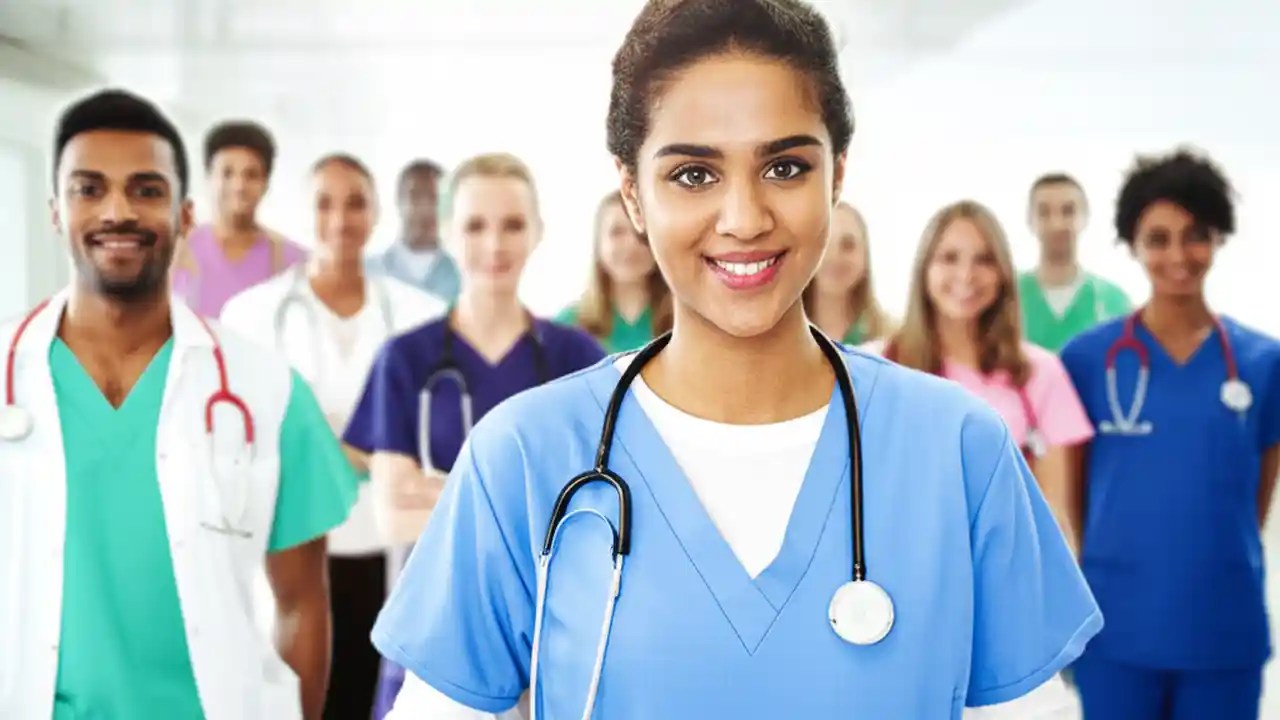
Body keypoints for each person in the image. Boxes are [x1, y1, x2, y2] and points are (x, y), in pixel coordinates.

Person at [372, 2, 1100, 718]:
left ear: (837, 176)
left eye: (785, 167)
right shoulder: (525, 457)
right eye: (694, 175)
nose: (746, 219)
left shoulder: (958, 450)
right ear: (632, 193)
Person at [0, 89, 358, 719]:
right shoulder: (12, 370)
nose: (118, 210)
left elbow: (303, 603)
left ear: (186, 213)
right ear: (56, 211)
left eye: (146, 189)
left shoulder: (266, 389)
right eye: (89, 189)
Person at [342, 151, 607, 719]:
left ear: (537, 232)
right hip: (433, 634)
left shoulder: (576, 359)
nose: (495, 244)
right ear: (445, 233)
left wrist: (444, 494)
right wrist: (533, 509)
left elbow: (599, 517)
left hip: (554, 641)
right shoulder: (405, 360)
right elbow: (393, 515)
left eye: (512, 225)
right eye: (475, 226)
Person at [220, 153, 447, 720]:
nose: (340, 219)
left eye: (355, 203)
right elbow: (241, 438)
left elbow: (432, 439)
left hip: (391, 546)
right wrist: (364, 449)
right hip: (296, 544)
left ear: (375, 214)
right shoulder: (250, 315)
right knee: (305, 698)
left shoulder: (422, 315)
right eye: (324, 202)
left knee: (384, 698)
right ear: (303, 212)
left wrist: (321, 443)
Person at [1060, 149, 1280, 720]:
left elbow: (1251, 498)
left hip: (1221, 624)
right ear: (1132, 244)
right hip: (1117, 626)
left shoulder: (1263, 363)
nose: (1179, 255)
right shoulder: (1087, 361)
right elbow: (1074, 501)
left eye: (1196, 235)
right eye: (1158, 238)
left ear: (1220, 239)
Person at [870, 200, 1094, 552]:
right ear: (923, 270)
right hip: (902, 574)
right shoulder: (875, 368)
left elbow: (1056, 521)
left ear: (1003, 273)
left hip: (1005, 574)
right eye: (949, 258)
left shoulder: (1040, 374)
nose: (966, 276)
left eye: (984, 260)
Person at [172, 120, 307, 317]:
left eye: (251, 175)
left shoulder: (293, 262)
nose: (239, 186)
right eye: (227, 173)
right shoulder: (173, 256)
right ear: (208, 178)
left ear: (266, 184)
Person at [1017, 173, 1132, 352]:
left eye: (1068, 211)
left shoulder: (1113, 301)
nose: (1056, 223)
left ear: (1085, 218)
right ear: (1029, 220)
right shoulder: (1008, 297)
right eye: (1044, 212)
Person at [555, 190, 672, 352]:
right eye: (617, 232)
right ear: (599, 243)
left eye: (640, 233)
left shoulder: (687, 322)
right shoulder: (566, 328)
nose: (631, 245)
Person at [365, 159, 462, 303]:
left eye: (435, 199)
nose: (425, 208)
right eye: (415, 195)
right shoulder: (367, 273)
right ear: (398, 199)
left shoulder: (463, 277)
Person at [802, 200, 892, 345]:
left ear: (865, 256)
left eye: (848, 245)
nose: (834, 256)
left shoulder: (891, 338)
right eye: (824, 244)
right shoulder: (780, 336)